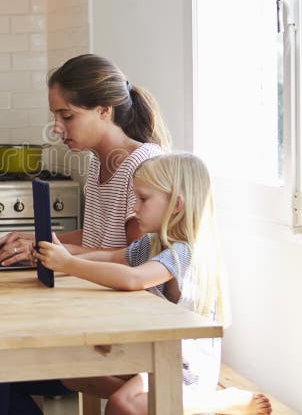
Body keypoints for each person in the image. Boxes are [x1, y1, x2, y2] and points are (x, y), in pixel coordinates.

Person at [33, 153, 271, 415]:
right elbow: (112, 257)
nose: (135, 208)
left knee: (121, 404)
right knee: (74, 374)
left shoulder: (184, 253)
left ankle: (217, 402)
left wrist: (68, 264)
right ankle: (160, 404)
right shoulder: (153, 243)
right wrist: (60, 252)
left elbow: (134, 279)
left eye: (143, 199)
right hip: (153, 355)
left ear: (177, 206)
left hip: (182, 369)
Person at [0, 53, 171, 267]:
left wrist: (45, 251)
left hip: (133, 299)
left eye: (67, 116)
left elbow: (134, 256)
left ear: (104, 109)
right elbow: (94, 237)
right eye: (55, 116)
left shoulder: (143, 164)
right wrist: (37, 240)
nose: (56, 128)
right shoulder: (97, 163)